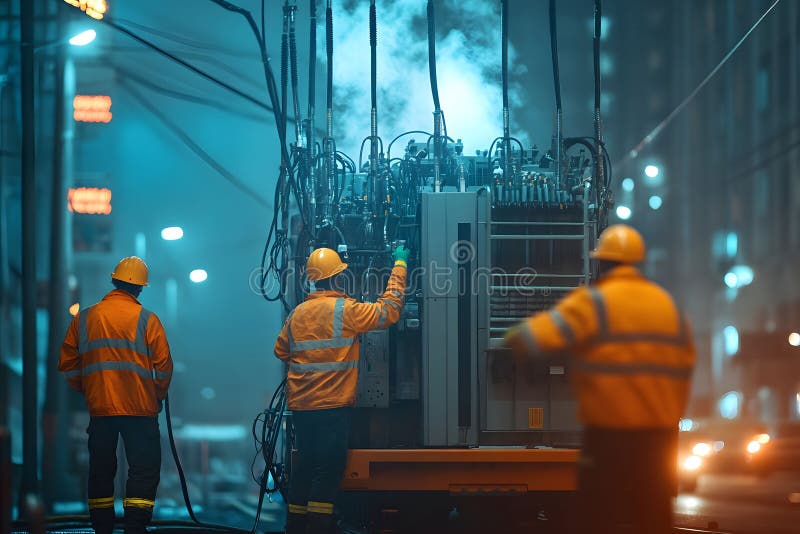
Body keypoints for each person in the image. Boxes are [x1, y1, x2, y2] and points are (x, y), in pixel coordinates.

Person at [504, 225, 695, 534]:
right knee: (654, 518)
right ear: (638, 262)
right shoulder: (668, 305)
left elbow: (533, 338)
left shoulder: (595, 302)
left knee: (598, 518)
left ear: (602, 263)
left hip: (609, 438)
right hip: (659, 439)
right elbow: (686, 365)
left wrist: (510, 338)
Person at [274, 246, 409, 534]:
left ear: (312, 279)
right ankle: (318, 528)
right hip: (333, 407)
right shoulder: (346, 311)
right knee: (328, 469)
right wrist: (400, 265)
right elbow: (389, 311)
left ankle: (294, 526)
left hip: (302, 408)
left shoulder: (297, 314)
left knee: (305, 467)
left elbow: (281, 350)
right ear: (337, 278)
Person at [59, 256, 173, 534]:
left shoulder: (85, 318)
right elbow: (164, 367)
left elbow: (68, 364)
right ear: (140, 288)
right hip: (141, 410)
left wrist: (87, 389)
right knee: (143, 469)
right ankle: (135, 527)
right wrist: (156, 395)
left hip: (101, 409)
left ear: (114, 281)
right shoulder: (148, 320)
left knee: (100, 471)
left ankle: (102, 528)